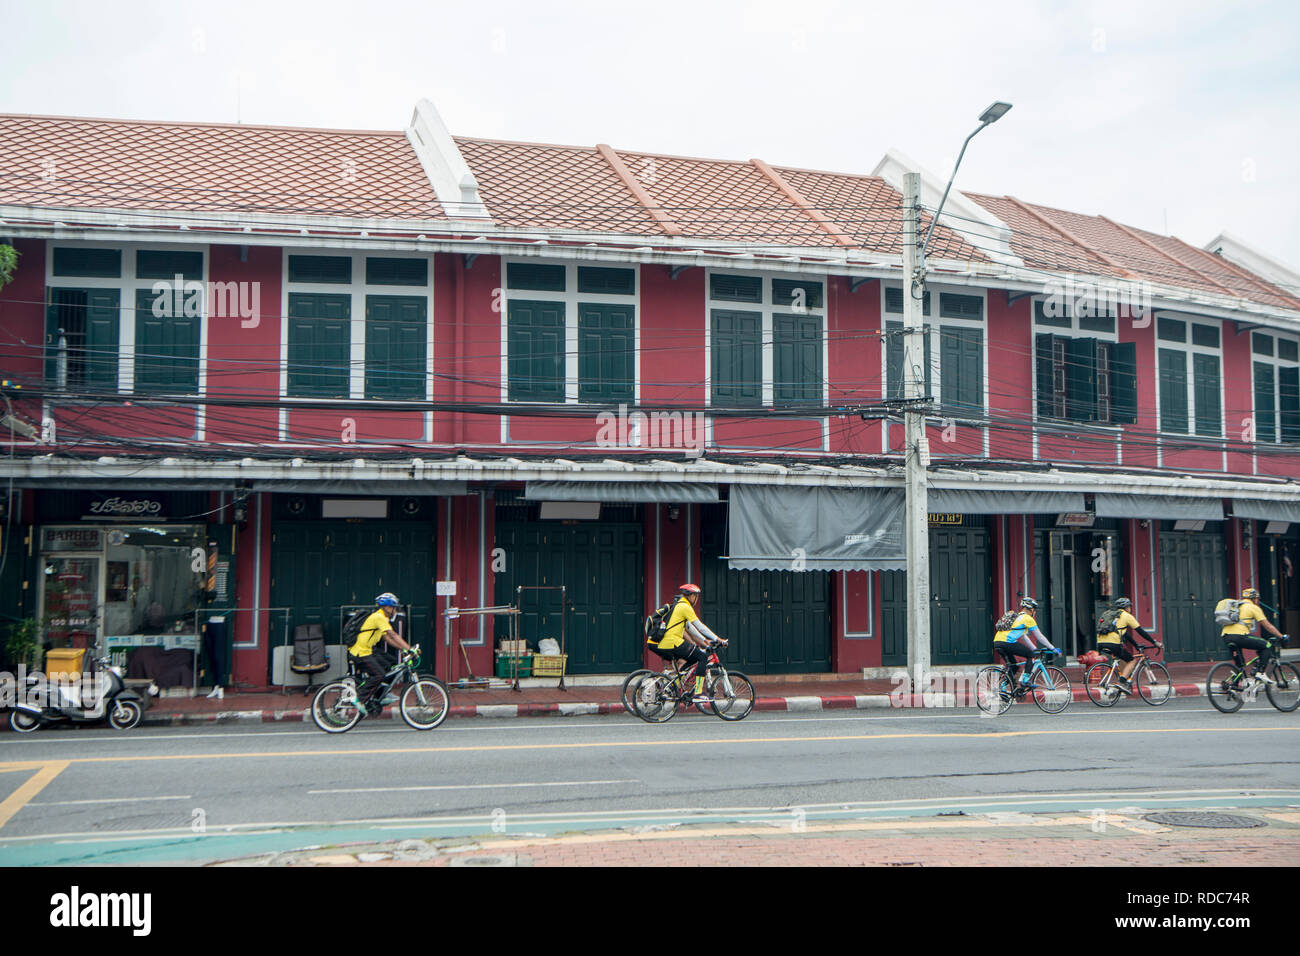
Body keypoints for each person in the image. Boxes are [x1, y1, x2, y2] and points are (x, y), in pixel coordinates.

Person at [646, 583, 726, 704]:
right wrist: (718, 639)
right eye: (696, 596)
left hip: (669, 642)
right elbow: (700, 626)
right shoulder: (685, 606)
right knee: (702, 657)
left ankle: (675, 685)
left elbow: (692, 629)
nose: (697, 599)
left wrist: (705, 641)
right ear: (690, 596)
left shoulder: (679, 607)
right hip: (673, 642)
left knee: (692, 660)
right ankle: (698, 692)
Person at [347, 592, 416, 714]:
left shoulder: (381, 618)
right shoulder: (378, 617)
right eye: (394, 607)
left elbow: (387, 638)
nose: (395, 610)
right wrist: (410, 648)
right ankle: (360, 699)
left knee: (392, 664)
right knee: (379, 674)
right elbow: (392, 634)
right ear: (387, 607)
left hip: (369, 650)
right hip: (360, 653)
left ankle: (381, 694)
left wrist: (403, 649)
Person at [992, 597, 1062, 688]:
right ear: (1031, 609)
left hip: (997, 642)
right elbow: (1039, 636)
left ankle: (1003, 687)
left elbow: (1024, 637)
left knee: (1014, 667)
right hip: (1007, 642)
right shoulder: (1028, 618)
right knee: (1031, 655)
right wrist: (1053, 648)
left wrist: (1035, 649)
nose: (1035, 612)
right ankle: (1024, 680)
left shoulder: (1017, 617)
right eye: (1035, 609)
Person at [1221, 587, 1286, 685]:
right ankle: (1260, 672)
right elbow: (1267, 625)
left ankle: (1232, 687)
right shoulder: (1253, 607)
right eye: (1257, 599)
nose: (1257, 601)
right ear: (1254, 599)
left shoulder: (1236, 606)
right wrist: (1281, 636)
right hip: (1239, 636)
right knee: (1267, 645)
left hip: (1226, 637)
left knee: (1240, 665)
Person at [1096, 597, 1160, 694]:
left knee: (1122, 657)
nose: (1130, 609)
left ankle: (1123, 681)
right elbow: (1140, 631)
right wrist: (1154, 642)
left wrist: (1135, 645)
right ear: (1126, 607)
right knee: (1132, 660)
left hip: (1100, 642)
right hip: (1113, 643)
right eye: (1130, 606)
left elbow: (1125, 634)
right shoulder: (1126, 616)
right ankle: (1121, 682)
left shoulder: (1112, 616)